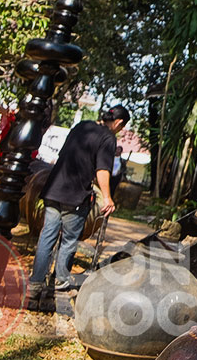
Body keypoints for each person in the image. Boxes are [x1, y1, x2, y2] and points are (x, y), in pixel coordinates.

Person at [28, 105, 129, 298]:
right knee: (68, 240)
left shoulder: (82, 126)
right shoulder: (108, 138)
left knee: (47, 236)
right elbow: (102, 170)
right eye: (122, 127)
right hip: (74, 194)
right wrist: (107, 197)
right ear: (118, 123)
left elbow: (64, 155)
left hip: (53, 189)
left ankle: (35, 283)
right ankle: (60, 281)